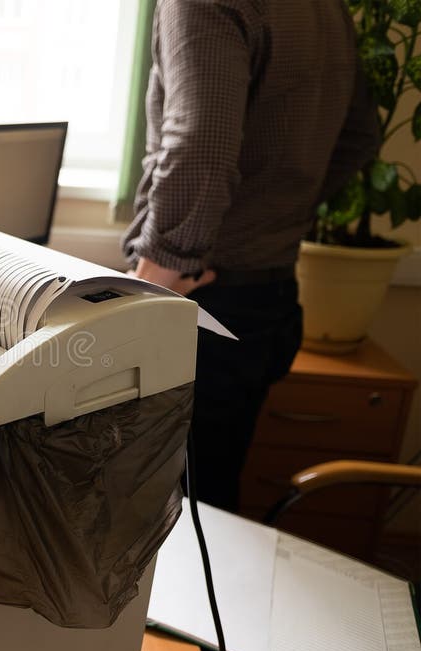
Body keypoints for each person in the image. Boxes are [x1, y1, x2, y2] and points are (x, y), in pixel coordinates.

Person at [121, 0, 379, 512]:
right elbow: (359, 137)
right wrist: (272, 216)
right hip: (271, 296)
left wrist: (154, 277)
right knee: (209, 504)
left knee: (160, 521)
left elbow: (201, 143)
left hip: (197, 302)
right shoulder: (325, 8)